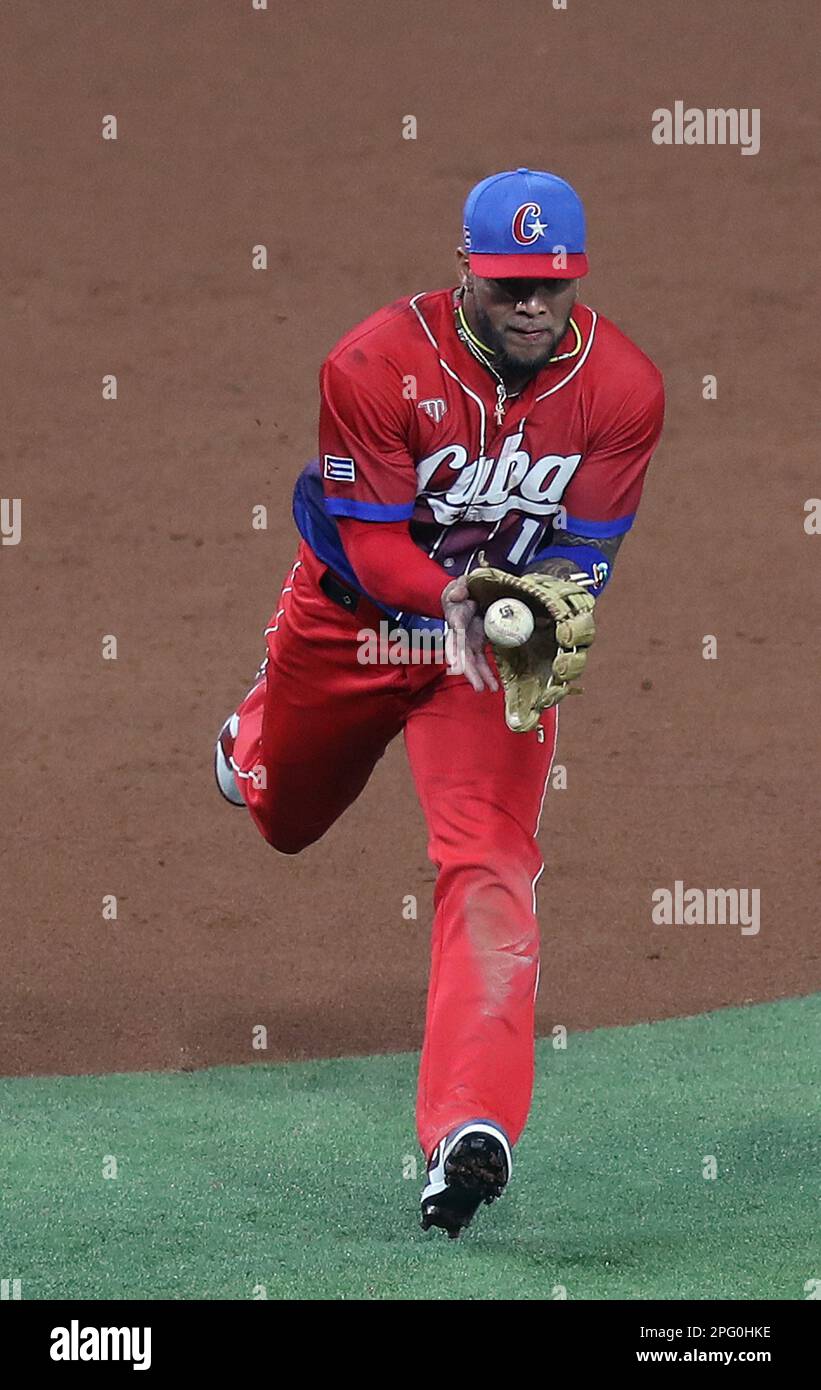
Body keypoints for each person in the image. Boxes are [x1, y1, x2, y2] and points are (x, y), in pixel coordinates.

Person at [215, 168, 665, 1237]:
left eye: (549, 286)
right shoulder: (370, 363)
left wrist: (545, 613)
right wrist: (452, 596)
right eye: (507, 283)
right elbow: (371, 542)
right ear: (464, 271)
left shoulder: (624, 391)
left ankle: (468, 1130)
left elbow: (586, 552)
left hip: (485, 657)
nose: (528, 305)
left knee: (490, 859)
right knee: (282, 819)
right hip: (352, 624)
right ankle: (255, 730)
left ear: (574, 282)